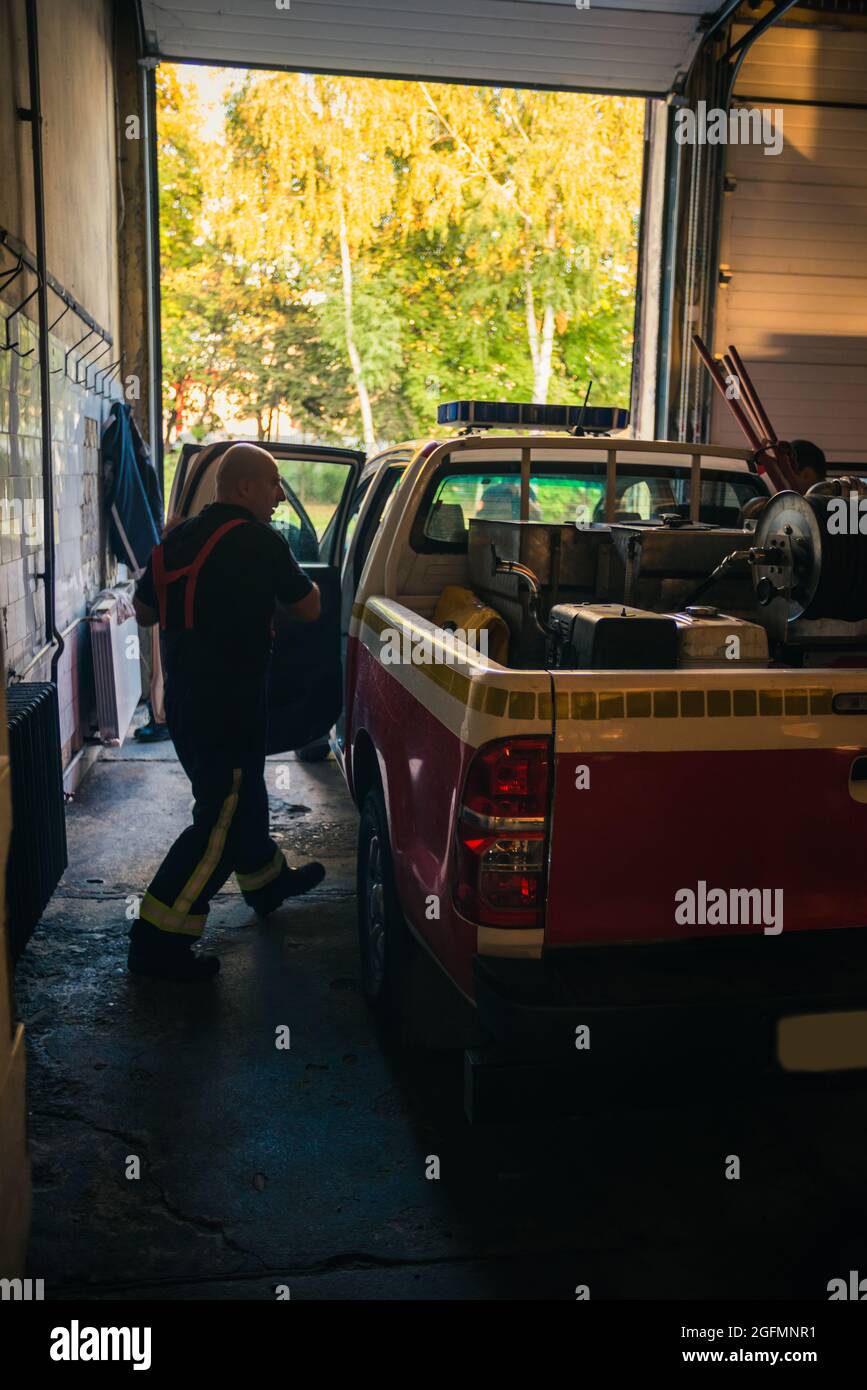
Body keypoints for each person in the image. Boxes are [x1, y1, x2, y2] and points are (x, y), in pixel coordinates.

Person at [128, 443, 325, 982]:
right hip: (230, 708)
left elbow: (144, 609)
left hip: (188, 705)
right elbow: (310, 607)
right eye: (274, 483)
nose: (280, 496)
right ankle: (157, 940)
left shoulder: (176, 540)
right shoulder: (261, 541)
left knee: (242, 793)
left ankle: (265, 881)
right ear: (244, 488)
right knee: (218, 821)